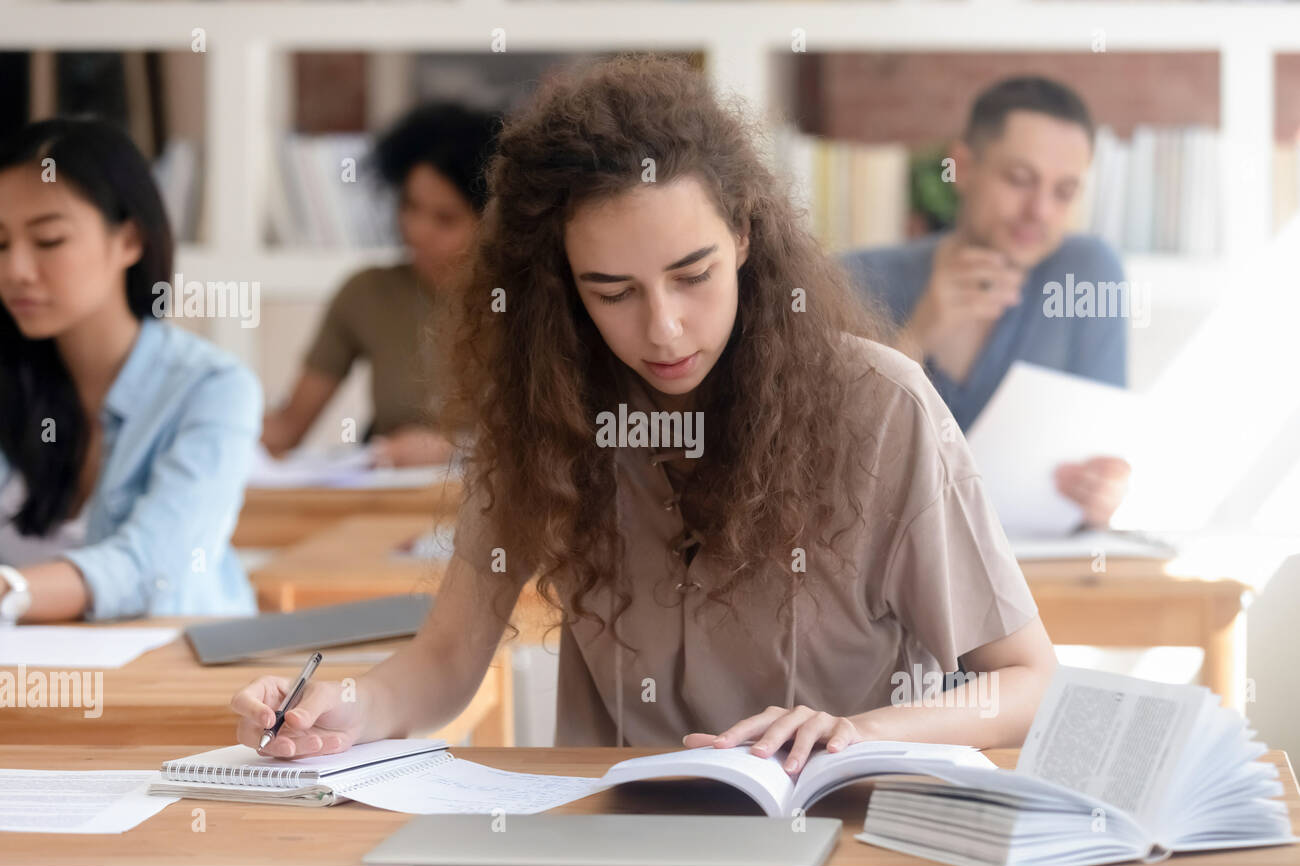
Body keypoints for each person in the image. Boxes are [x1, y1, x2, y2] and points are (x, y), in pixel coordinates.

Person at [232, 54, 1057, 771]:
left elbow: (1027, 679)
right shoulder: (543, 410)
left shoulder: (881, 409)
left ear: (742, 234)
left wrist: (856, 732)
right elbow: (446, 661)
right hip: (609, 833)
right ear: (563, 284)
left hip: (830, 828)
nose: (662, 328)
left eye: (692, 275)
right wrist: (332, 713)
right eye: (612, 291)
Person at [0, 118, 261, 623]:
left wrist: (12, 589)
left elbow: (150, 568)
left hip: (172, 681)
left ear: (130, 240)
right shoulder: (11, 380)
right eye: (0, 244)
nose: (16, 271)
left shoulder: (213, 388)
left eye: (49, 240)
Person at [842, 76, 1131, 529]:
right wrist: (917, 336)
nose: (1041, 211)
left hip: (1042, 576)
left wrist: (1107, 492)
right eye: (1019, 179)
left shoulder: (1086, 275)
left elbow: (1110, 457)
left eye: (1065, 191)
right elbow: (832, 465)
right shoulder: (856, 280)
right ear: (962, 168)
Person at [260, 102, 498, 467]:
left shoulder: (528, 299)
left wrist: (456, 448)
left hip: (501, 507)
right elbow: (287, 429)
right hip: (386, 503)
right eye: (410, 206)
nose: (417, 229)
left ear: (491, 224)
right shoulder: (366, 294)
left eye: (445, 219)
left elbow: (567, 440)